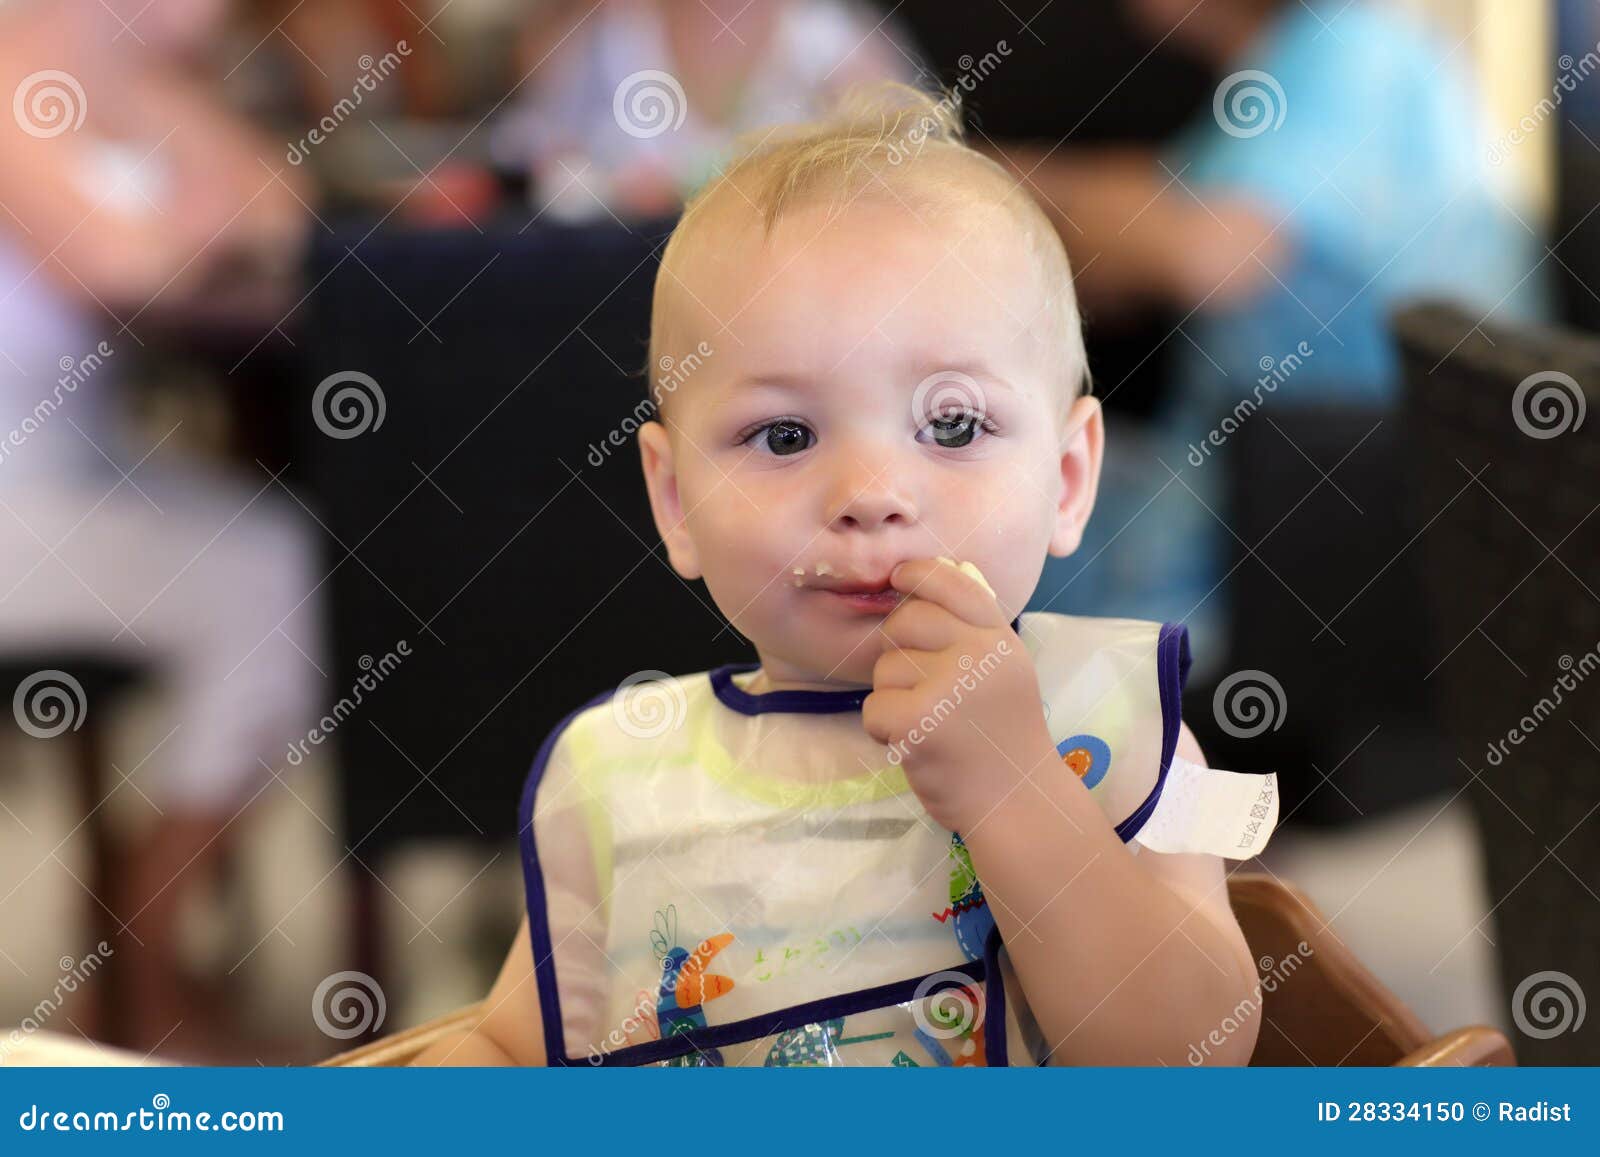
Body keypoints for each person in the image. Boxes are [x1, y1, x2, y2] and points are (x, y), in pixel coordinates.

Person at [412, 83, 1280, 1067]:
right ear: (676, 498)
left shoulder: (1111, 724)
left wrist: (1015, 790)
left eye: (953, 424)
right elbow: (508, 1052)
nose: (870, 495)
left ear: (1068, 478)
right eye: (784, 435)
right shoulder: (615, 778)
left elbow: (1190, 1057)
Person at [987, 0, 1551, 674]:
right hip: (1269, 486)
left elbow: (1207, 251)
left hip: (1333, 511)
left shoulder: (1350, 45)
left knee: (984, 532)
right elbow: (1144, 229)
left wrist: (979, 192)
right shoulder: (1286, 67)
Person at [0, 0, 327, 1058]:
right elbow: (121, 263)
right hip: (22, 497)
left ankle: (133, 957)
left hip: (69, 471)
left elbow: (288, 211)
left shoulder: (115, 72)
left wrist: (165, 105)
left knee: (290, 555)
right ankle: (132, 968)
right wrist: (196, 212)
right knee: (276, 578)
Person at [488, 0, 918, 221]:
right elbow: (536, 170)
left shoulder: (826, 37)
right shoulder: (604, 36)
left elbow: (908, 163)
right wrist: (609, 192)